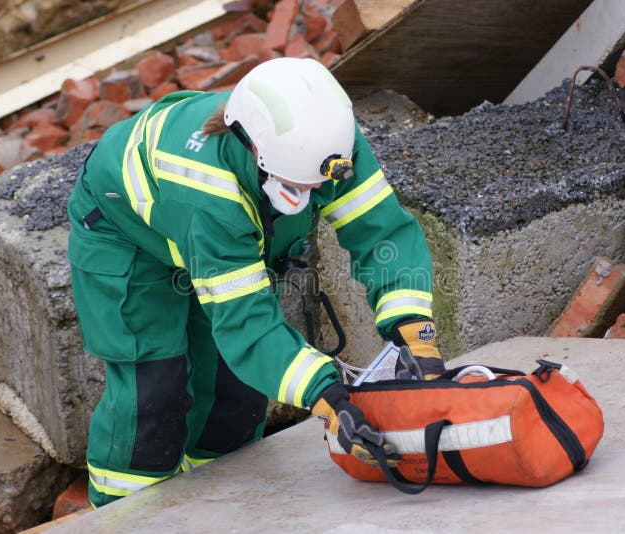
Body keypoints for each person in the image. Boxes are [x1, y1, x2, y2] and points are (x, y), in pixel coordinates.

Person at [67, 57, 445, 508]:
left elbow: (381, 234)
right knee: (154, 391)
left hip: (212, 228)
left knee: (236, 393)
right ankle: (122, 514)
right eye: (293, 187)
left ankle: (218, 508)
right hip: (124, 235)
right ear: (251, 148)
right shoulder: (209, 194)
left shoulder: (327, 144)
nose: (306, 199)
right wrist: (326, 395)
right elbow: (246, 324)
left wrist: (414, 329)